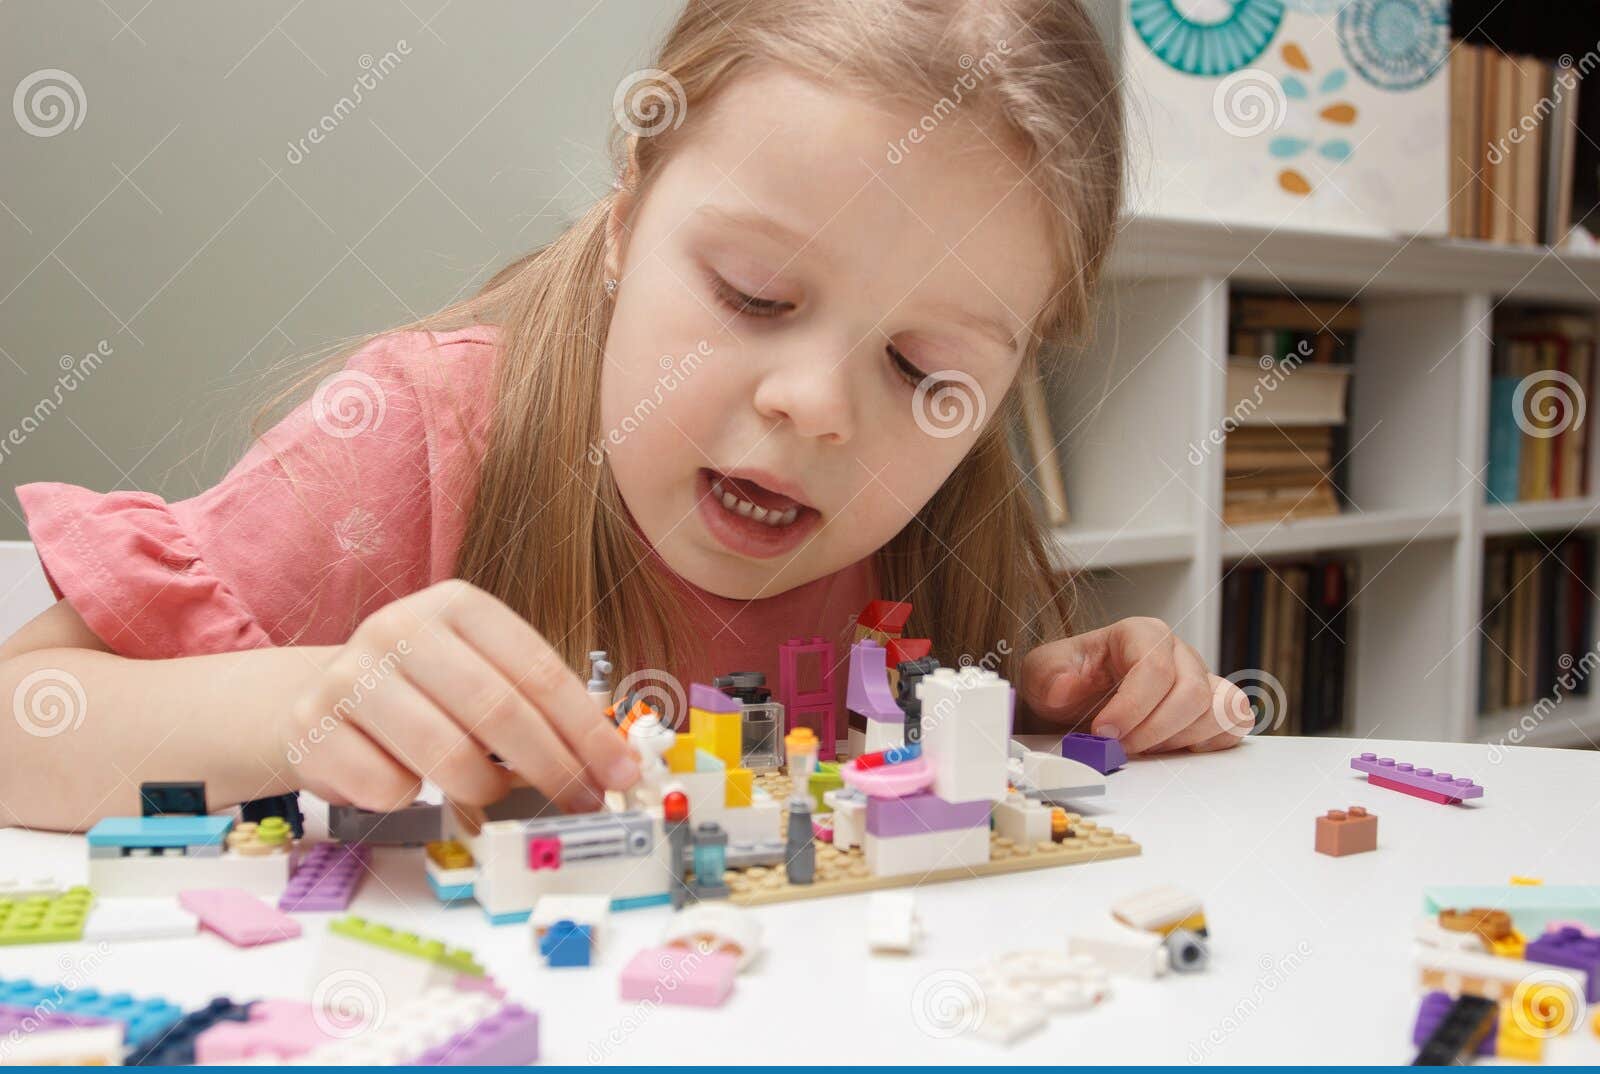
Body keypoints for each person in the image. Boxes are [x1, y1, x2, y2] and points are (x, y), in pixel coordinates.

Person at [1, 0, 1250, 831]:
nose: (814, 405)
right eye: (755, 295)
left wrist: (1037, 701)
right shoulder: (414, 431)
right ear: (624, 213)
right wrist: (306, 701)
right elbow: (24, 724)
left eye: (925, 369)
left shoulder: (939, 508)